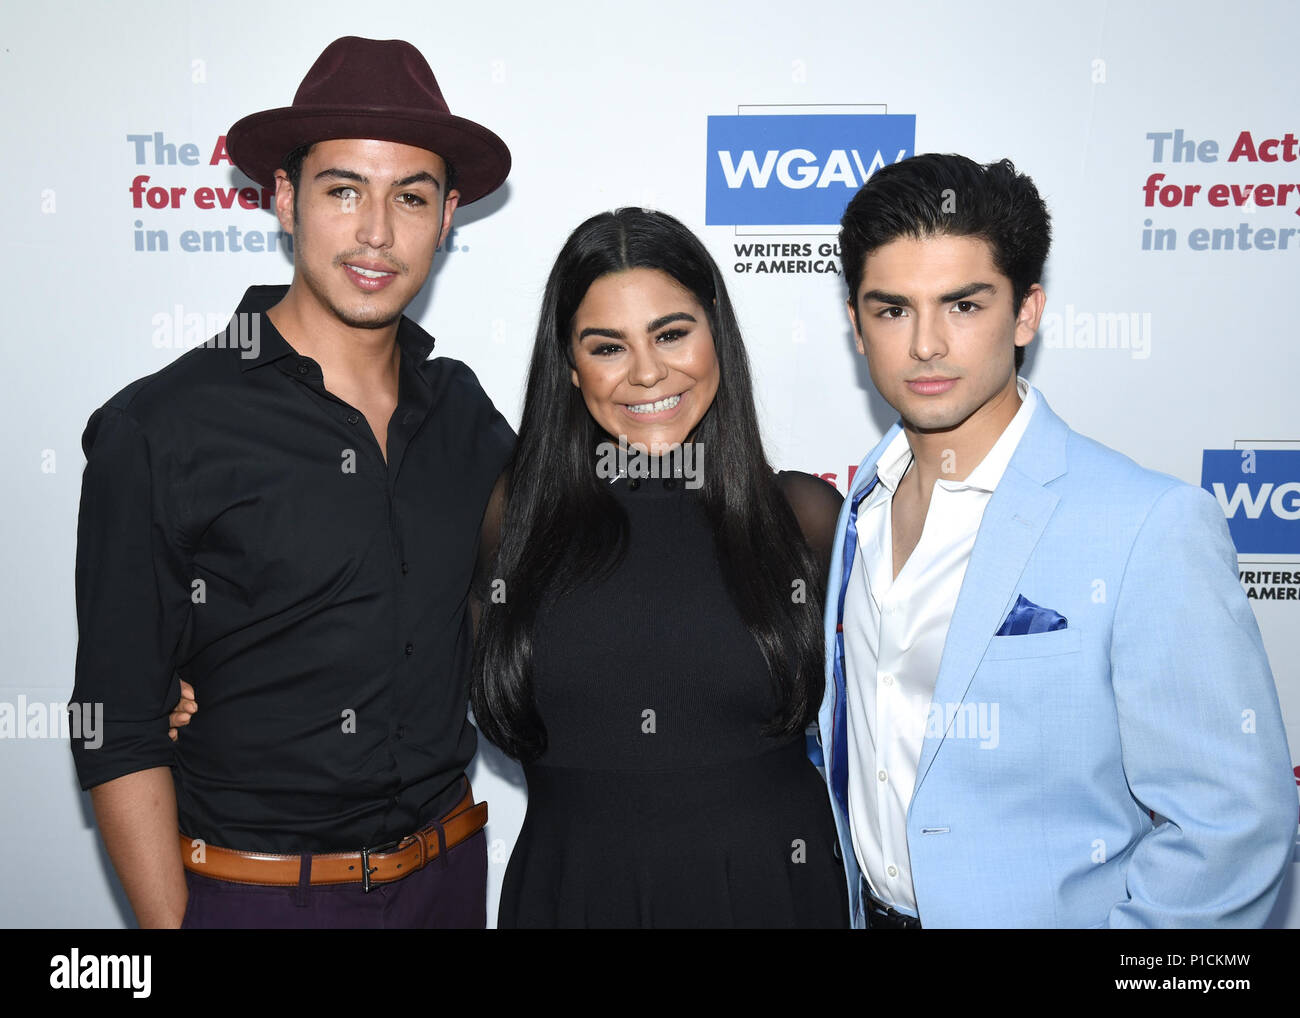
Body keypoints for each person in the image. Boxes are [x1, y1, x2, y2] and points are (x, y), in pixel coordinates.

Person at [70, 36, 514, 928]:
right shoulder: (161, 428)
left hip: (449, 882)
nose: (377, 233)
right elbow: (113, 726)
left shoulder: (466, 415)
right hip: (256, 900)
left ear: (449, 214)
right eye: (343, 190)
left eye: (412, 197)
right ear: (283, 196)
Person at [817, 152, 1298, 928]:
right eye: (893, 310)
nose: (927, 344)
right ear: (856, 325)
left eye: (964, 306)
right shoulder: (856, 513)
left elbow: (1234, 826)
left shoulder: (1146, 524)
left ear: (1027, 313)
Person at [469, 208, 849, 928]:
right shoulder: (514, 517)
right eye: (607, 346)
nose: (647, 372)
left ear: (716, 334)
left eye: (672, 333)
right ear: (570, 366)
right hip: (573, 895)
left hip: (773, 892)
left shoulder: (804, 517)